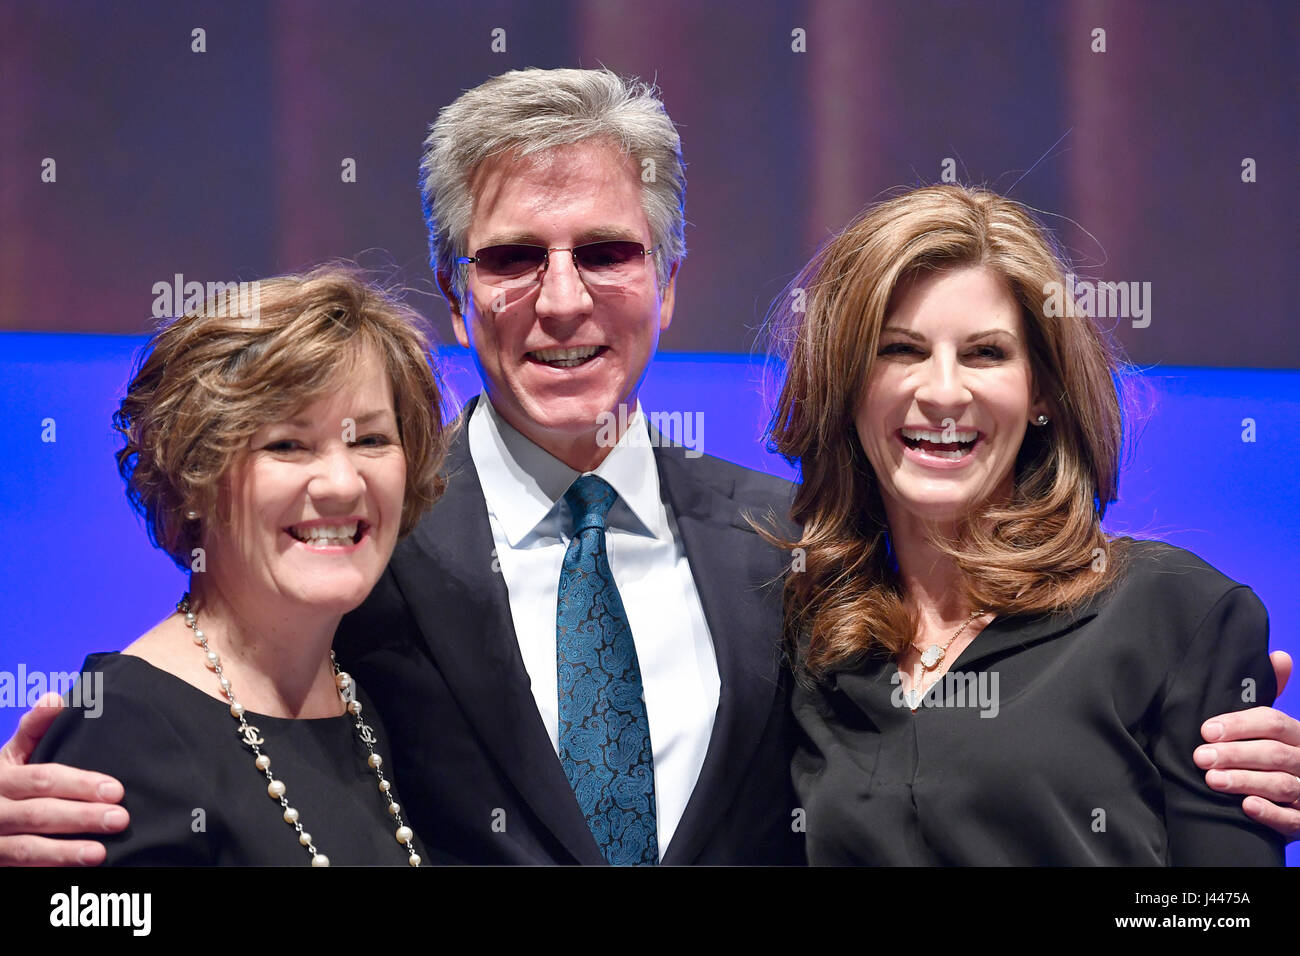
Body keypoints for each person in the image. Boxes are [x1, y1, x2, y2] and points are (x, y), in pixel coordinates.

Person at [2, 69, 1298, 867]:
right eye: (514, 259)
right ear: (457, 297)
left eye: (608, 254)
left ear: (671, 282)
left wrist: (1206, 736)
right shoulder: (364, 558)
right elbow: (206, 695)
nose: (562, 301)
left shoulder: (807, 562)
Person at [765, 184, 1289, 864]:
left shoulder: (1176, 615)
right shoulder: (803, 628)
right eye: (900, 349)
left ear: (1040, 390)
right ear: (847, 380)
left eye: (986, 354)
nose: (944, 391)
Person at [25, 265, 451, 865]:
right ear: (193, 476)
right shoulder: (122, 730)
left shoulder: (369, 695)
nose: (340, 483)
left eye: (371, 440)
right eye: (286, 444)